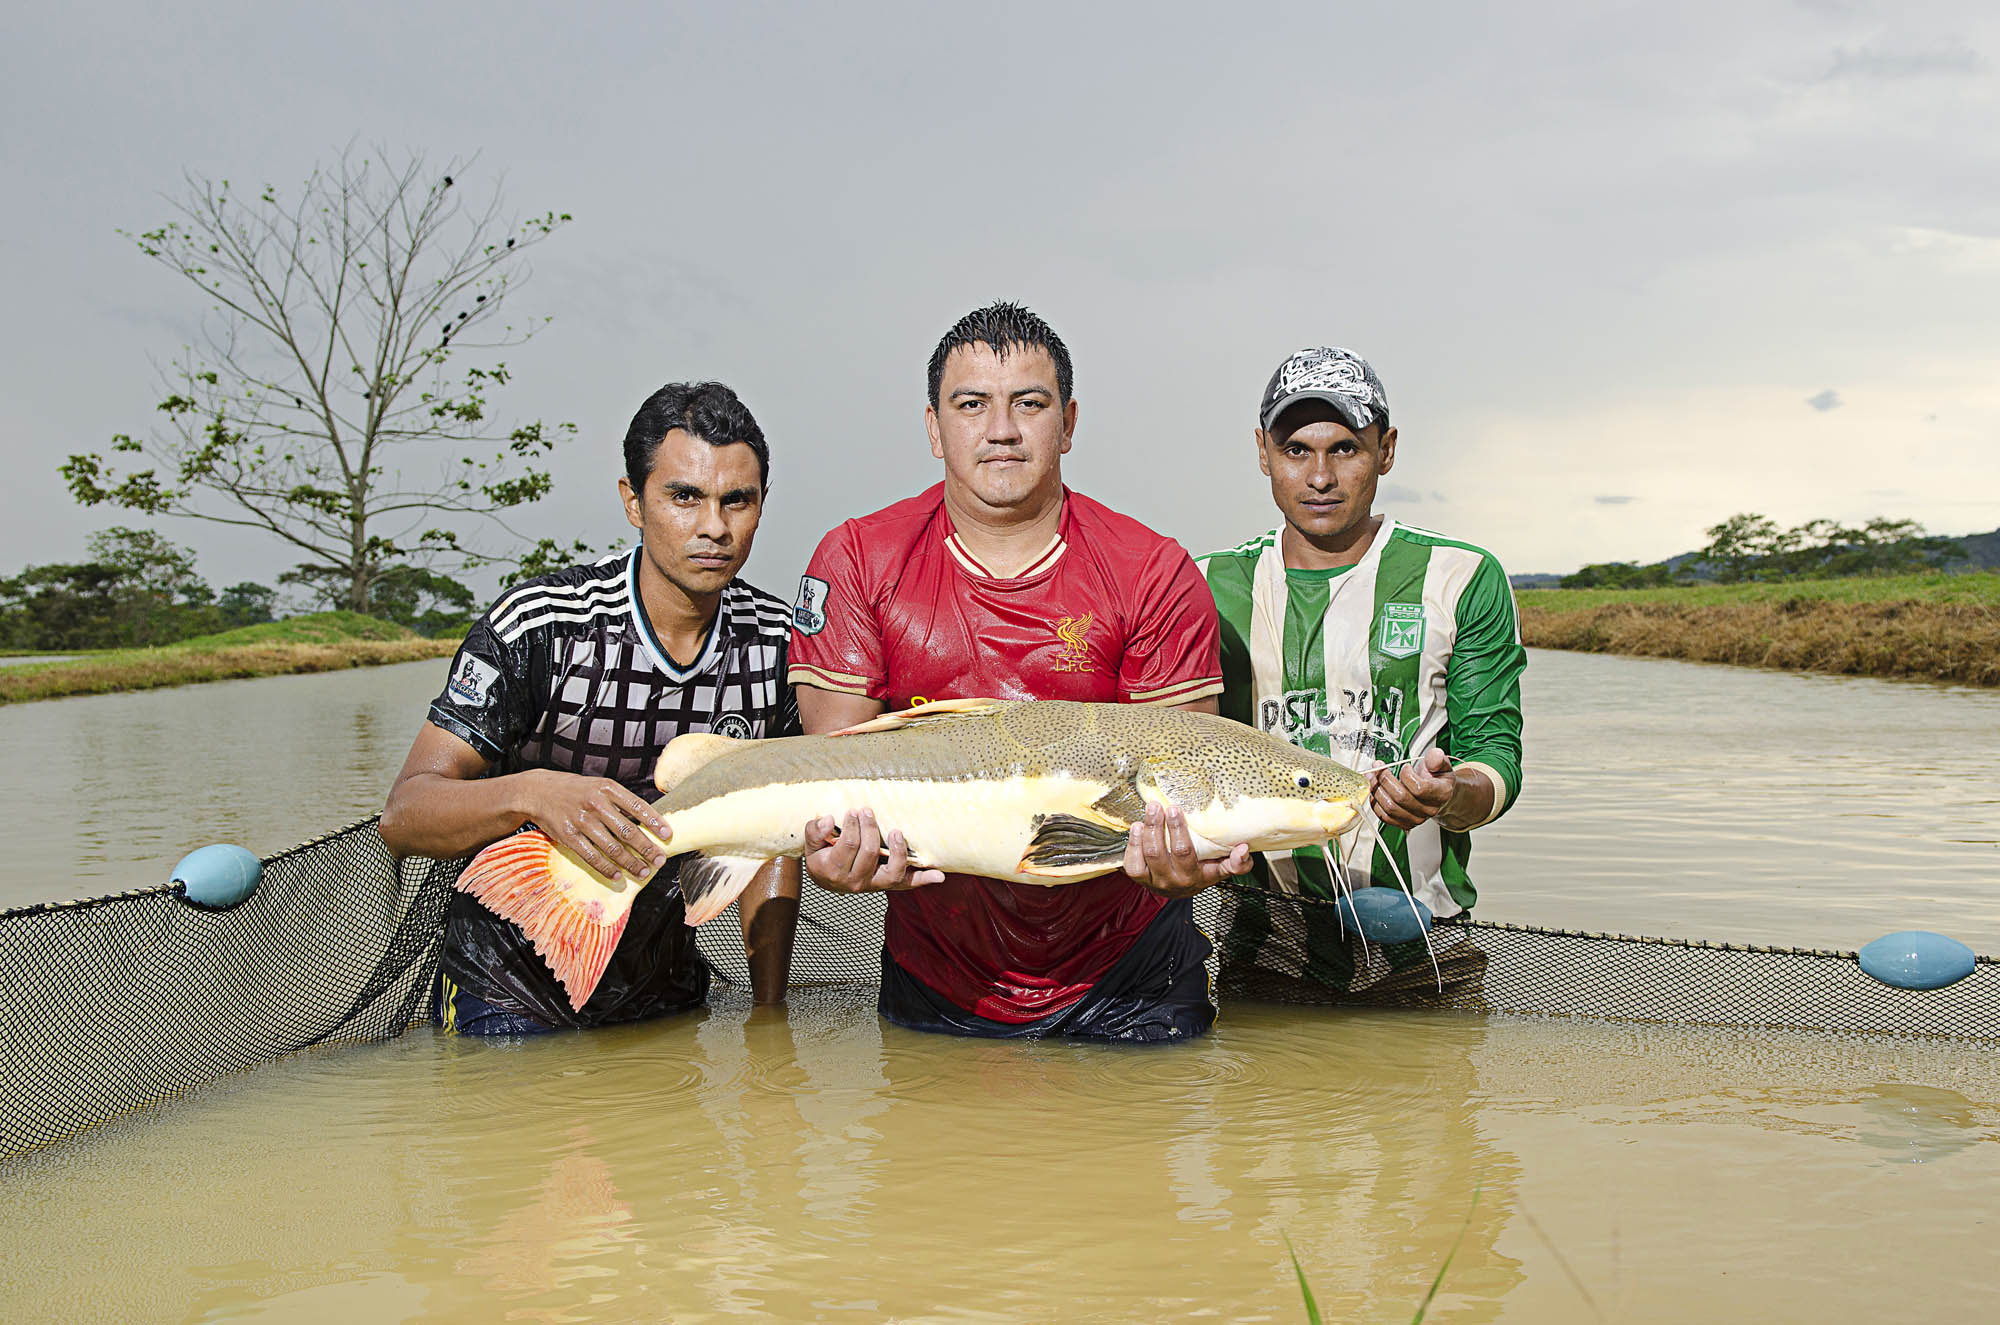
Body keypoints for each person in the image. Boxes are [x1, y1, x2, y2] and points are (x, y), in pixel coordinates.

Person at [785, 301, 1251, 1043]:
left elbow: (1195, 780)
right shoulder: (857, 558)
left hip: (1131, 974)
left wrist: (1190, 856)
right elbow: (836, 780)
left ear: (1067, 423)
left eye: (1028, 404)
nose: (1001, 429)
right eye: (972, 405)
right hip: (937, 977)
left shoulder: (1153, 571)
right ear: (934, 428)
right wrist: (837, 856)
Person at [380, 381, 801, 1034]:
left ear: (761, 505)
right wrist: (536, 793)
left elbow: (774, 837)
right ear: (633, 501)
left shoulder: (777, 645)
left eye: (736, 500)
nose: (713, 526)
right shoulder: (541, 626)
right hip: (510, 983)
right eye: (684, 496)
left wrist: (770, 1017)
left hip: (663, 989)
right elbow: (405, 814)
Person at [1199, 346, 1524, 995]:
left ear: (1387, 449)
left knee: (1442, 1095)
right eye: (1297, 450)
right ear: (1264, 452)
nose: (1320, 475)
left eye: (1345, 448)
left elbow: (1498, 762)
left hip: (1423, 942)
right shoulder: (1209, 584)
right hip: (1268, 942)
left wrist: (1449, 793)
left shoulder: (1460, 577)